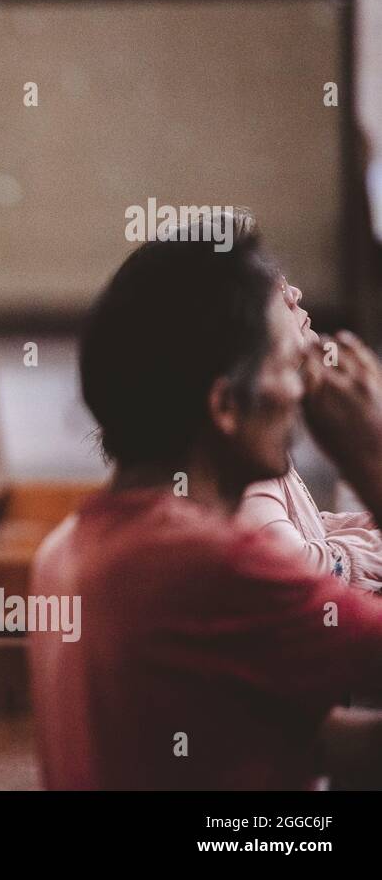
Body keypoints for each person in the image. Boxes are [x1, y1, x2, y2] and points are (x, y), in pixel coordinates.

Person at [29, 213, 382, 789]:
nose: (302, 388)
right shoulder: (214, 566)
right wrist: (373, 460)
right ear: (225, 406)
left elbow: (295, 743)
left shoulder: (73, 543)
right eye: (285, 364)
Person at [238, 272, 382, 591]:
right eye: (273, 287)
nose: (295, 293)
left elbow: (305, 528)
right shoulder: (242, 453)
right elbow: (293, 563)